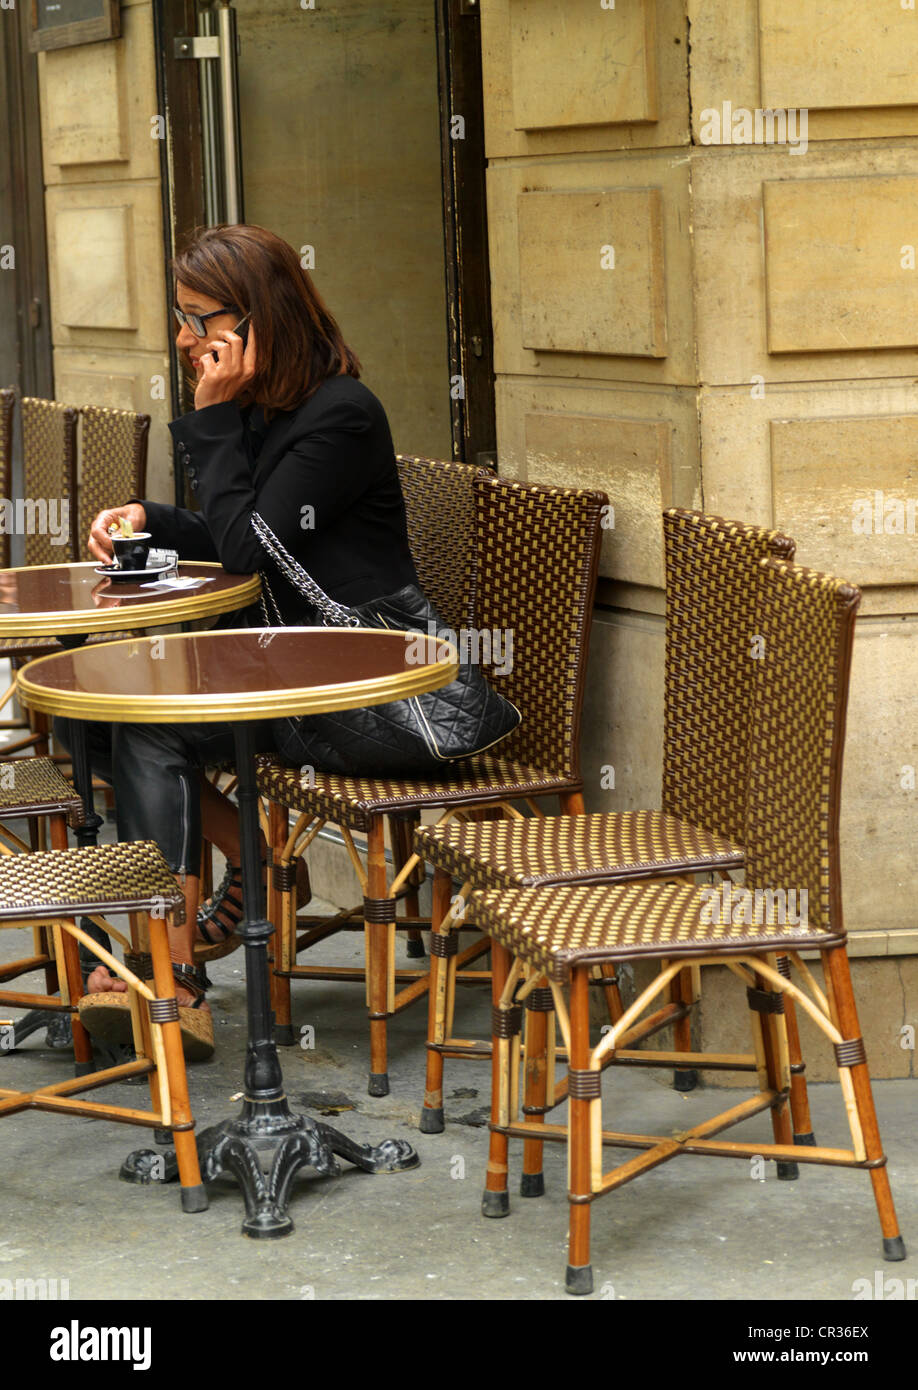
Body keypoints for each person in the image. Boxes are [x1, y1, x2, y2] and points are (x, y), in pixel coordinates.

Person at [64, 223, 420, 1060]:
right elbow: (241, 532)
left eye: (200, 320)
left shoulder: (342, 416)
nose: (189, 341)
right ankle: (247, 856)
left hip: (365, 687)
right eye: (181, 320)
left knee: (148, 729)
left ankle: (177, 976)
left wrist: (213, 422)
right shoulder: (271, 410)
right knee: (86, 720)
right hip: (290, 670)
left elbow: (249, 553)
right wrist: (151, 519)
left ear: (257, 315)